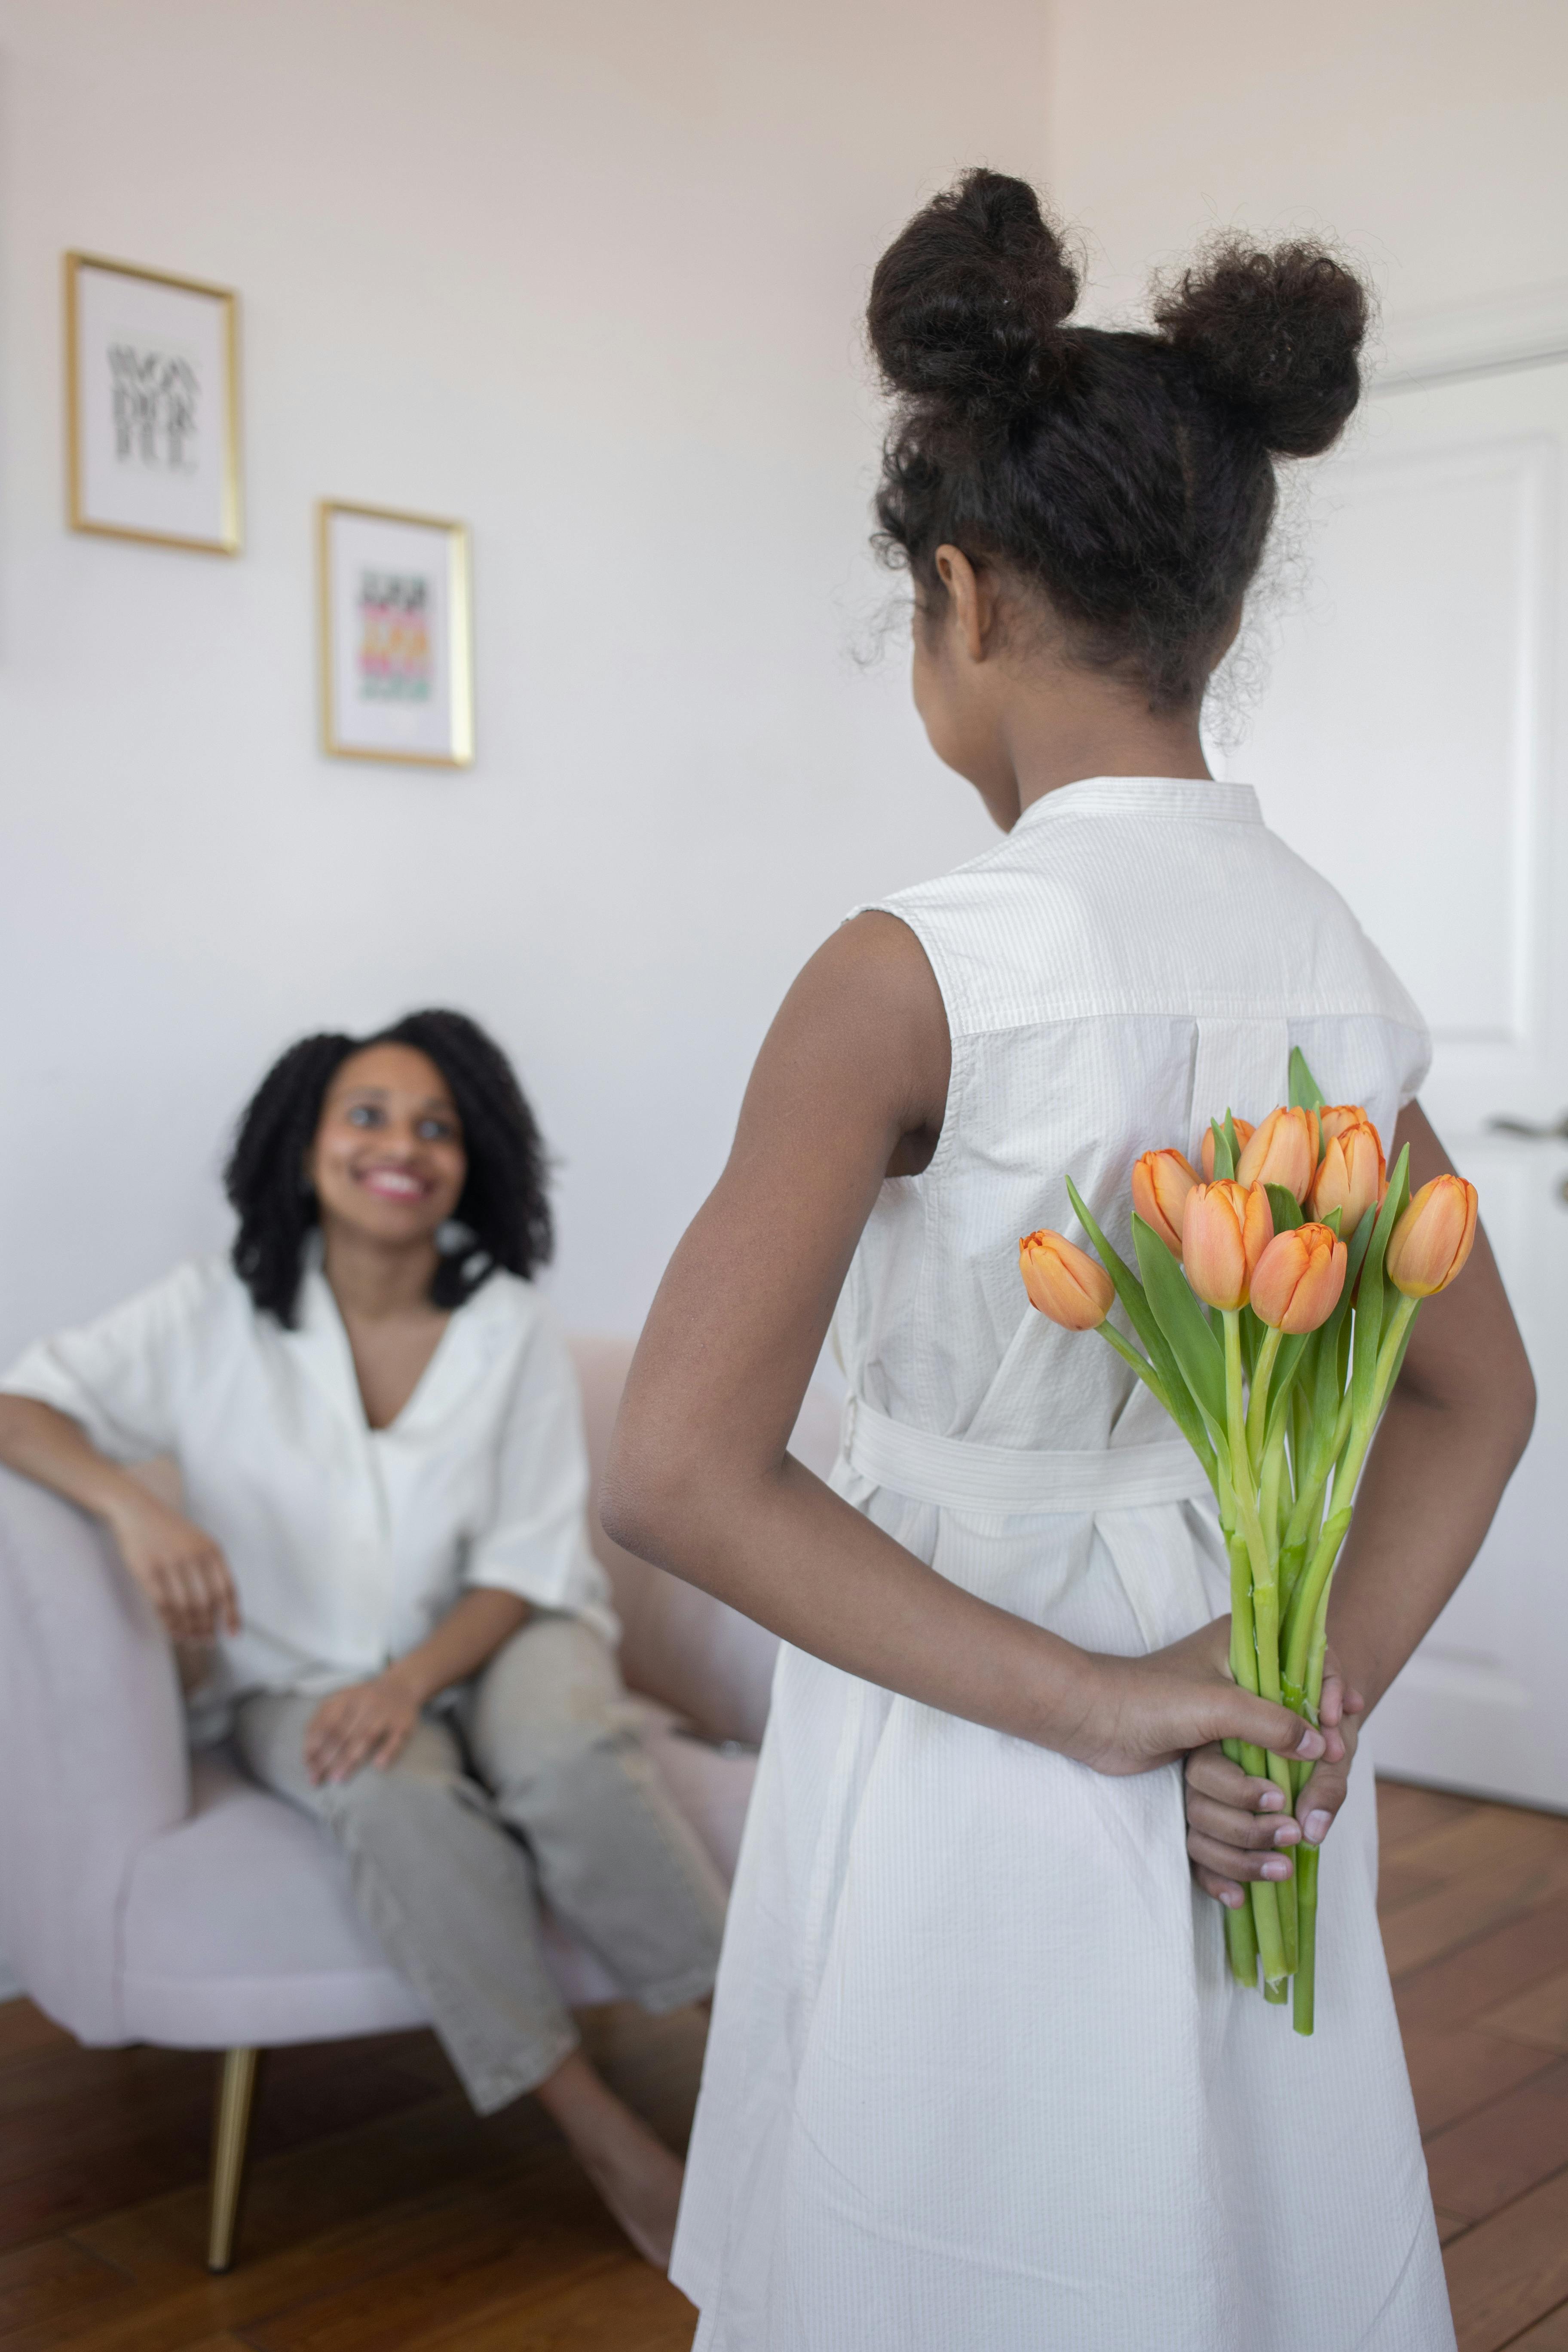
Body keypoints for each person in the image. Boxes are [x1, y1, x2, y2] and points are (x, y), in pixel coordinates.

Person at [603, 174, 1535, 2349]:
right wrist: (1298, 1697)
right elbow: (1484, 1393)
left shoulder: (912, 970)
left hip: (987, 1714)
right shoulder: (1338, 960)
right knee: (1228, 2223)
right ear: (1214, 608)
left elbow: (674, 1467)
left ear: (961, 596)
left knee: (955, 2211)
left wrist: (1114, 1709)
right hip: (1255, 1715)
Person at [0, 1008, 726, 2267]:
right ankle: (607, 2138)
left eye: (438, 1126)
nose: (406, 1145)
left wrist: (414, 1678)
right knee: (387, 1796)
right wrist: (131, 1507)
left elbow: (530, 1556)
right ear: (305, 1147)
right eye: (371, 1116)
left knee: (564, 1754)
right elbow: (20, 1407)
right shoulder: (208, 1313)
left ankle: (765, 2056)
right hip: (299, 1680)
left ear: (474, 1161)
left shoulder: (505, 1327)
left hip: (507, 1636)